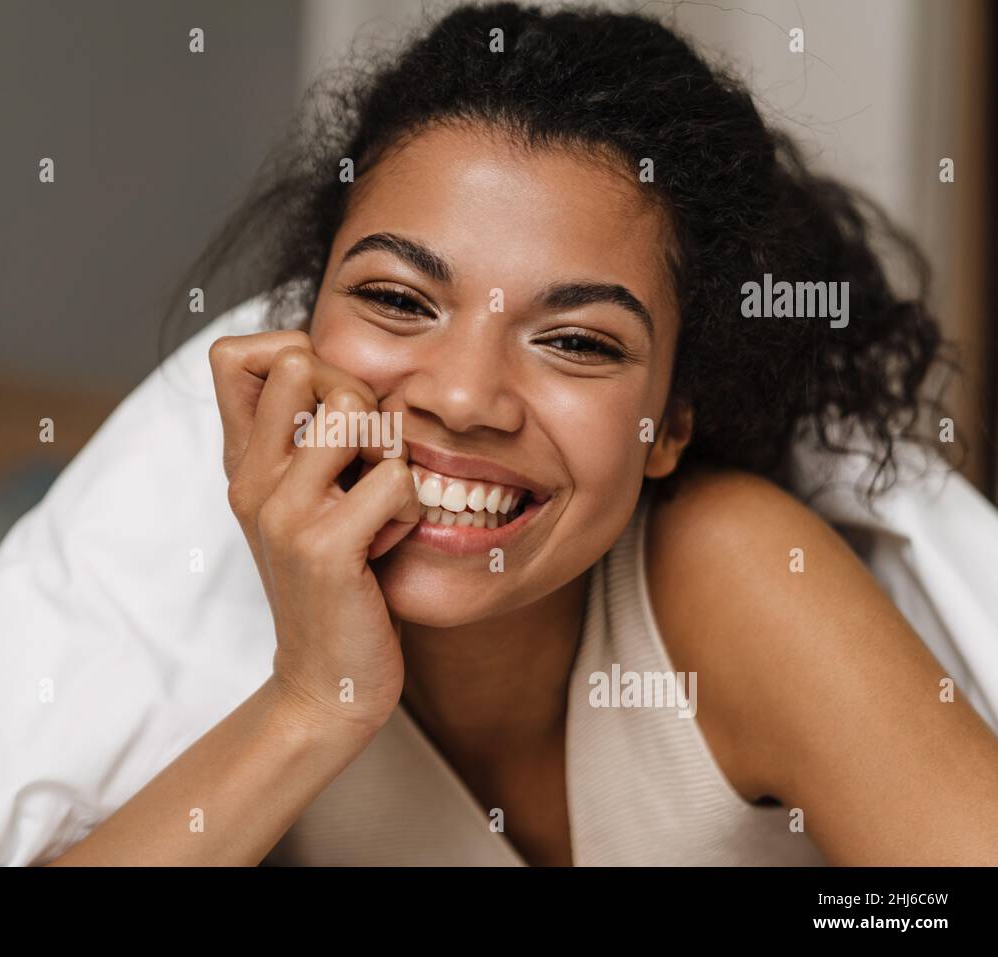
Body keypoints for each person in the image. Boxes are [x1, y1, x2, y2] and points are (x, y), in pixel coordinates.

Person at [49, 2, 998, 866]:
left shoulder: (732, 569)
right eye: (396, 298)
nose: (464, 399)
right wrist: (310, 702)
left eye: (578, 341)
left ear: (668, 425)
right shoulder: (213, 587)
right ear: (307, 328)